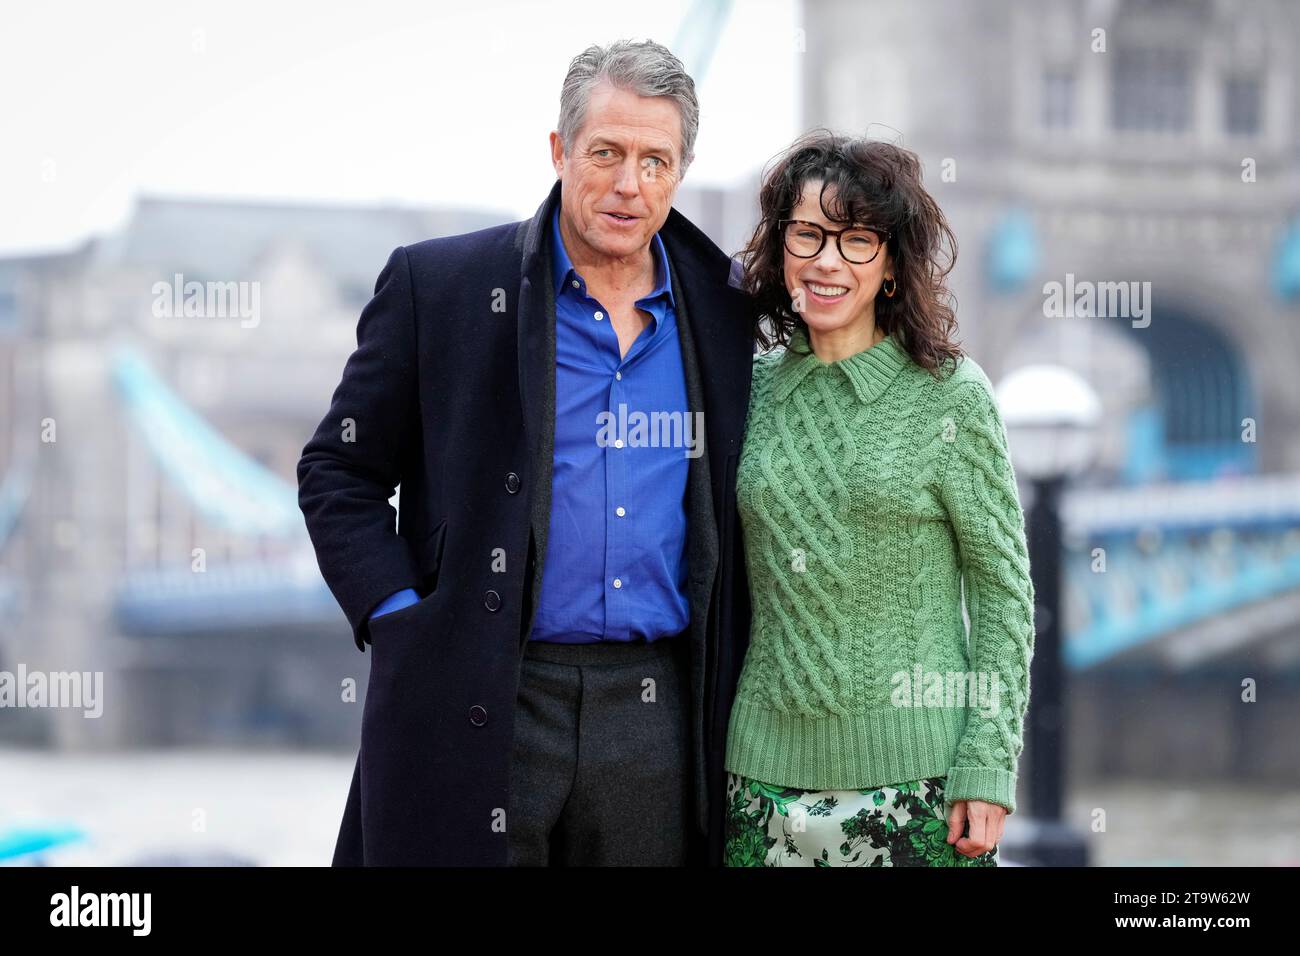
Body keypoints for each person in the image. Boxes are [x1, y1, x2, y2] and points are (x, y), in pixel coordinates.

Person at [297, 39, 754, 866]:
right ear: (559, 150)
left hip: (657, 714)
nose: (629, 183)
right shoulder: (442, 287)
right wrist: (401, 618)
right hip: (486, 692)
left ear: (680, 171)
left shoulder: (728, 313)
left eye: (655, 161)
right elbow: (338, 470)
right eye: (606, 152)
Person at [722, 130, 1035, 866]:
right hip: (759, 789)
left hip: (917, 788)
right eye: (808, 234)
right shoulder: (744, 391)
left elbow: (1003, 592)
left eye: (858, 240)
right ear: (781, 247)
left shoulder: (950, 397)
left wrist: (987, 764)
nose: (827, 261)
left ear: (891, 264)